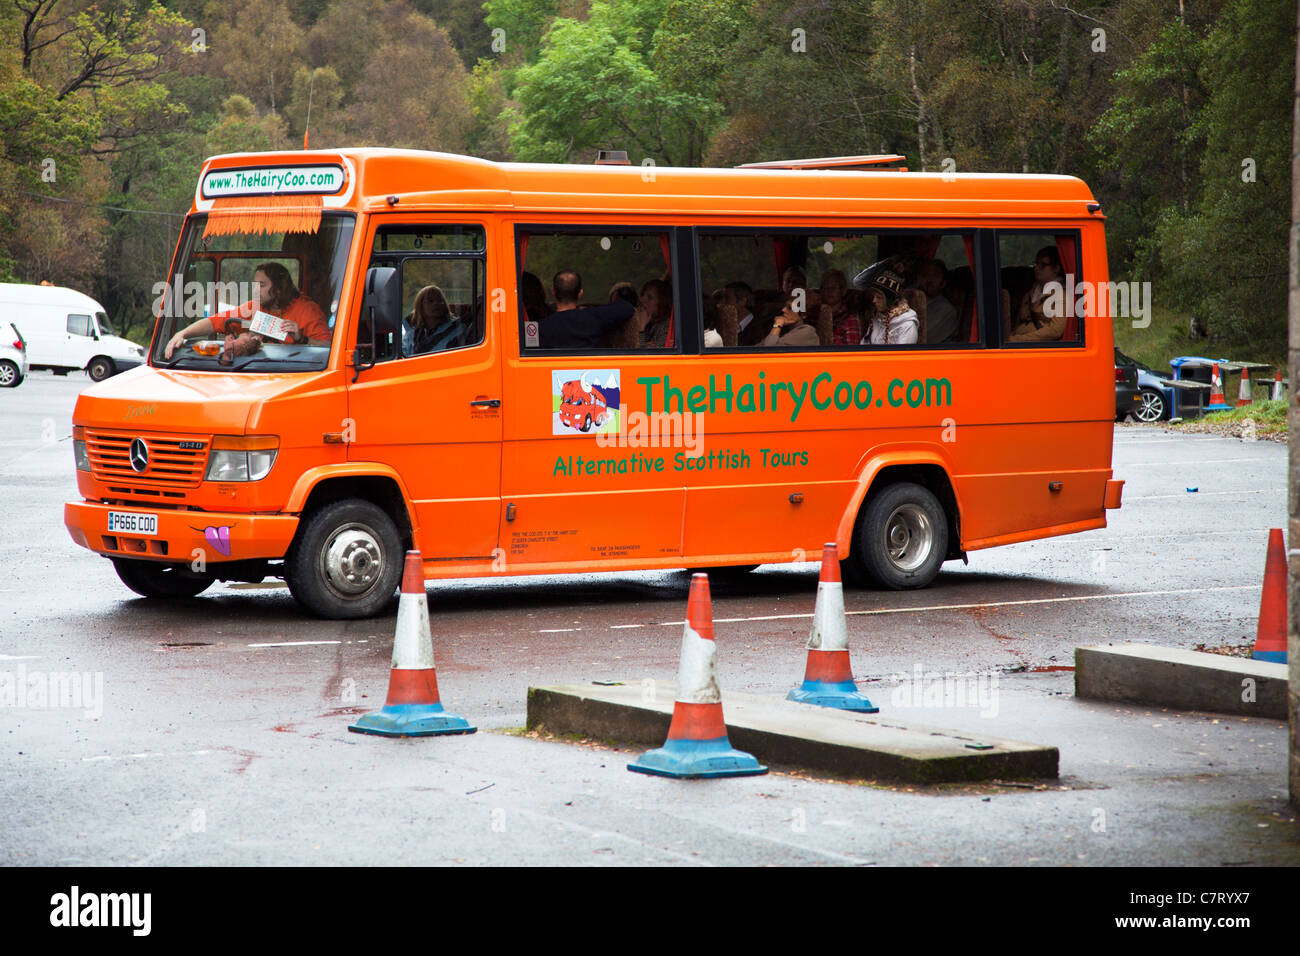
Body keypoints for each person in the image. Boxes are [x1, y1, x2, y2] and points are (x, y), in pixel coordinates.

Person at [164, 262, 329, 358]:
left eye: (262, 285)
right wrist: (182, 334)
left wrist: (302, 339)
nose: (256, 290)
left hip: (294, 378)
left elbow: (330, 348)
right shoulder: (254, 307)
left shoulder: (308, 311)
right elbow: (215, 322)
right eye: (255, 285)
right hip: (256, 374)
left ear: (279, 289)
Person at [538, 270, 633, 349]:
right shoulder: (593, 317)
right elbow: (627, 307)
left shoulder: (542, 327)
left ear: (553, 291)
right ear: (580, 293)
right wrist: (592, 308)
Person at [1006, 246, 1066, 342]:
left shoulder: (1061, 294)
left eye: (1043, 265)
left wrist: (1017, 340)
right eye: (1036, 263)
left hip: (1037, 348)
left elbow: (1055, 331)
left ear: (1056, 268)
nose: (1037, 268)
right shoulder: (1031, 292)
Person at [862, 270, 918, 345]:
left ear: (890, 301)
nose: (874, 300)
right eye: (873, 296)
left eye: (879, 297)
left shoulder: (907, 325)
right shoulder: (876, 319)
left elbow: (903, 355)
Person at [406, 285, 462, 354]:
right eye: (430, 301)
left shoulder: (458, 328)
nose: (436, 304)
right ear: (420, 305)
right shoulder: (411, 333)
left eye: (440, 300)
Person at [914, 259, 958, 344]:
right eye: (925, 274)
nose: (929, 279)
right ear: (918, 278)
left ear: (943, 283)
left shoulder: (946, 310)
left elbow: (923, 339)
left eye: (935, 276)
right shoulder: (907, 299)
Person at [819, 269, 861, 345]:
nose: (829, 291)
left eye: (834, 287)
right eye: (826, 288)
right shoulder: (816, 315)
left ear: (843, 291)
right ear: (821, 291)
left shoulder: (850, 319)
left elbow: (851, 352)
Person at [638, 278, 672, 347]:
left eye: (649, 297)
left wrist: (641, 329)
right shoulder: (650, 324)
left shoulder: (667, 328)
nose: (642, 300)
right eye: (642, 295)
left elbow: (642, 354)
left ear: (662, 303)